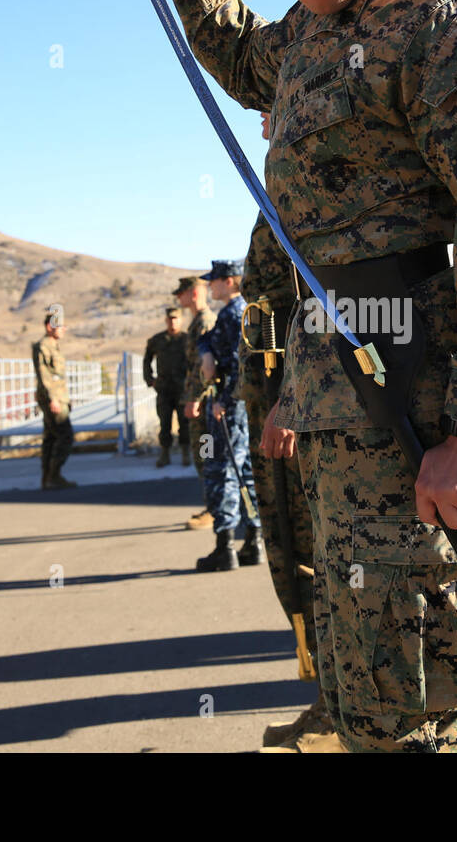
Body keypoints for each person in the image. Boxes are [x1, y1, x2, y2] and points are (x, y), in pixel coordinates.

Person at [98, 0, 457, 751]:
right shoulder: (315, 27)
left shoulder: (444, 18)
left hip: (423, 409)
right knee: (370, 680)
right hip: (342, 405)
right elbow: (250, 60)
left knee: (428, 692)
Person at [240, 112, 340, 751]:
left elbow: (326, 305)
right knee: (294, 557)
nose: (266, 116)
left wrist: (290, 403)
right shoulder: (288, 180)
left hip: (302, 413)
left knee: (324, 560)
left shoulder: (323, 181)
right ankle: (330, 699)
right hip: (275, 405)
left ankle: (344, 714)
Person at [191, 258, 261, 571]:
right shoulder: (236, 313)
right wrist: (206, 351)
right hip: (238, 405)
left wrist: (224, 399)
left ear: (230, 281)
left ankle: (225, 547)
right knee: (243, 467)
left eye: (215, 280)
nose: (210, 286)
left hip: (228, 405)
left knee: (222, 471)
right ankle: (253, 542)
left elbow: (238, 364)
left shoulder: (234, 313)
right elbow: (207, 340)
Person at [175, 274, 217, 528]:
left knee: (207, 455)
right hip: (199, 401)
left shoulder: (204, 322)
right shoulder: (197, 322)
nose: (178, 298)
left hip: (203, 403)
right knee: (203, 454)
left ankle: (213, 510)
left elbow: (205, 367)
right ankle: (212, 506)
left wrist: (195, 398)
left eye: (181, 293)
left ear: (193, 293)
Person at [33, 309, 76, 489]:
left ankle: (47, 478)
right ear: (50, 326)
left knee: (51, 437)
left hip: (56, 397)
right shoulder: (44, 346)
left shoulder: (53, 345)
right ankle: (54, 475)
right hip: (54, 399)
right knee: (65, 436)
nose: (63, 329)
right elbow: (44, 375)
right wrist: (53, 400)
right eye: (60, 326)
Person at [142, 307, 189, 467]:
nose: (173, 321)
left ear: (181, 320)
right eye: (170, 319)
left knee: (185, 423)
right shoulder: (157, 340)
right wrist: (150, 379)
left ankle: (185, 453)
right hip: (164, 389)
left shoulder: (187, 340)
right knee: (164, 423)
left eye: (176, 318)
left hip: (183, 389)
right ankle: (165, 454)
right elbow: (146, 359)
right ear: (166, 320)